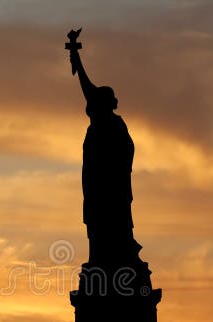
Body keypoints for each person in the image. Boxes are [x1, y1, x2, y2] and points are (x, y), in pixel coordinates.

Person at [69, 39, 138, 266]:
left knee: (114, 222)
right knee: (98, 223)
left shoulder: (115, 125)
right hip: (97, 187)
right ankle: (100, 257)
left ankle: (119, 255)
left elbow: (127, 152)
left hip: (114, 187)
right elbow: (87, 87)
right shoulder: (100, 123)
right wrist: (76, 58)